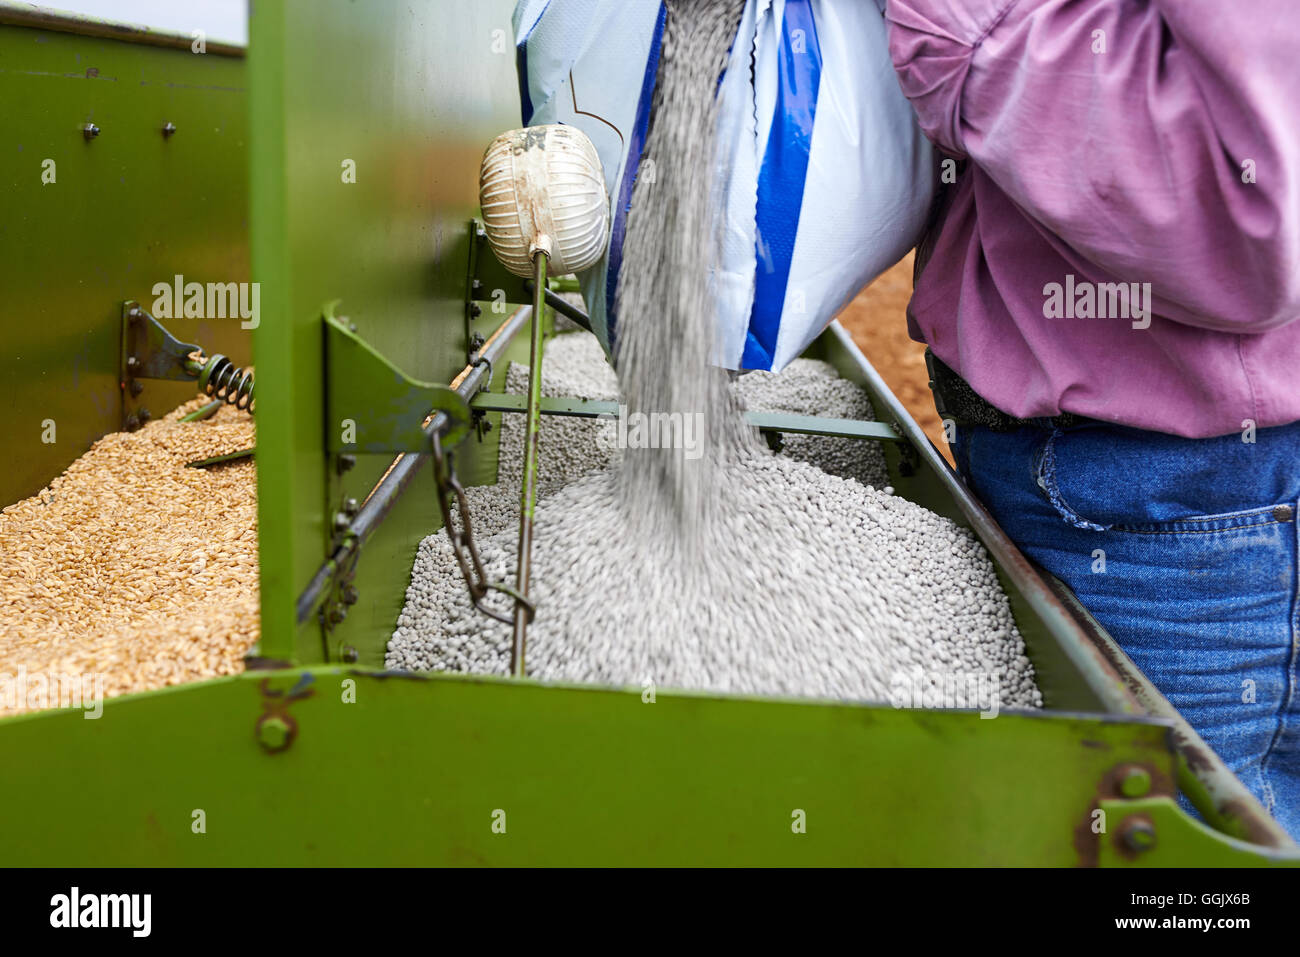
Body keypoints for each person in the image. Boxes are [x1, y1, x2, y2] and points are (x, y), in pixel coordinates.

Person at [884, 0, 1300, 838]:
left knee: (1186, 888)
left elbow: (1243, 209)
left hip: (1181, 517)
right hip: (1181, 496)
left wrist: (959, 28)